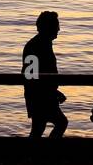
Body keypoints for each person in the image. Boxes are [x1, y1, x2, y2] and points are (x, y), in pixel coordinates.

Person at [23, 10, 67, 139]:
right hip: (41, 96)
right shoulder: (36, 46)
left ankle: (34, 155)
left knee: (38, 129)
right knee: (60, 123)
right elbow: (32, 76)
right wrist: (51, 92)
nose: (59, 29)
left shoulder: (40, 44)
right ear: (49, 27)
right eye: (56, 25)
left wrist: (54, 91)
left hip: (39, 95)